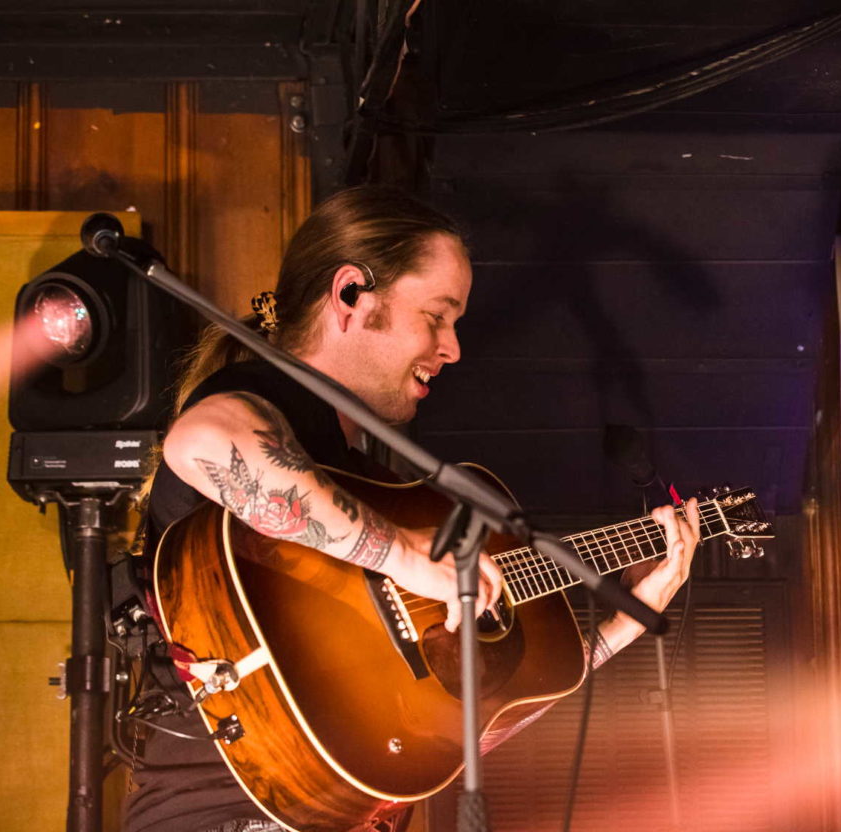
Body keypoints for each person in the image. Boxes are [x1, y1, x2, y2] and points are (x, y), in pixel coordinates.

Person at [122, 186, 700, 832]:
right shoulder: (265, 404)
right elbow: (201, 441)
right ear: (349, 297)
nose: (452, 348)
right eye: (437, 316)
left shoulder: (369, 483)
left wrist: (619, 627)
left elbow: (446, 743)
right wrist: (403, 556)